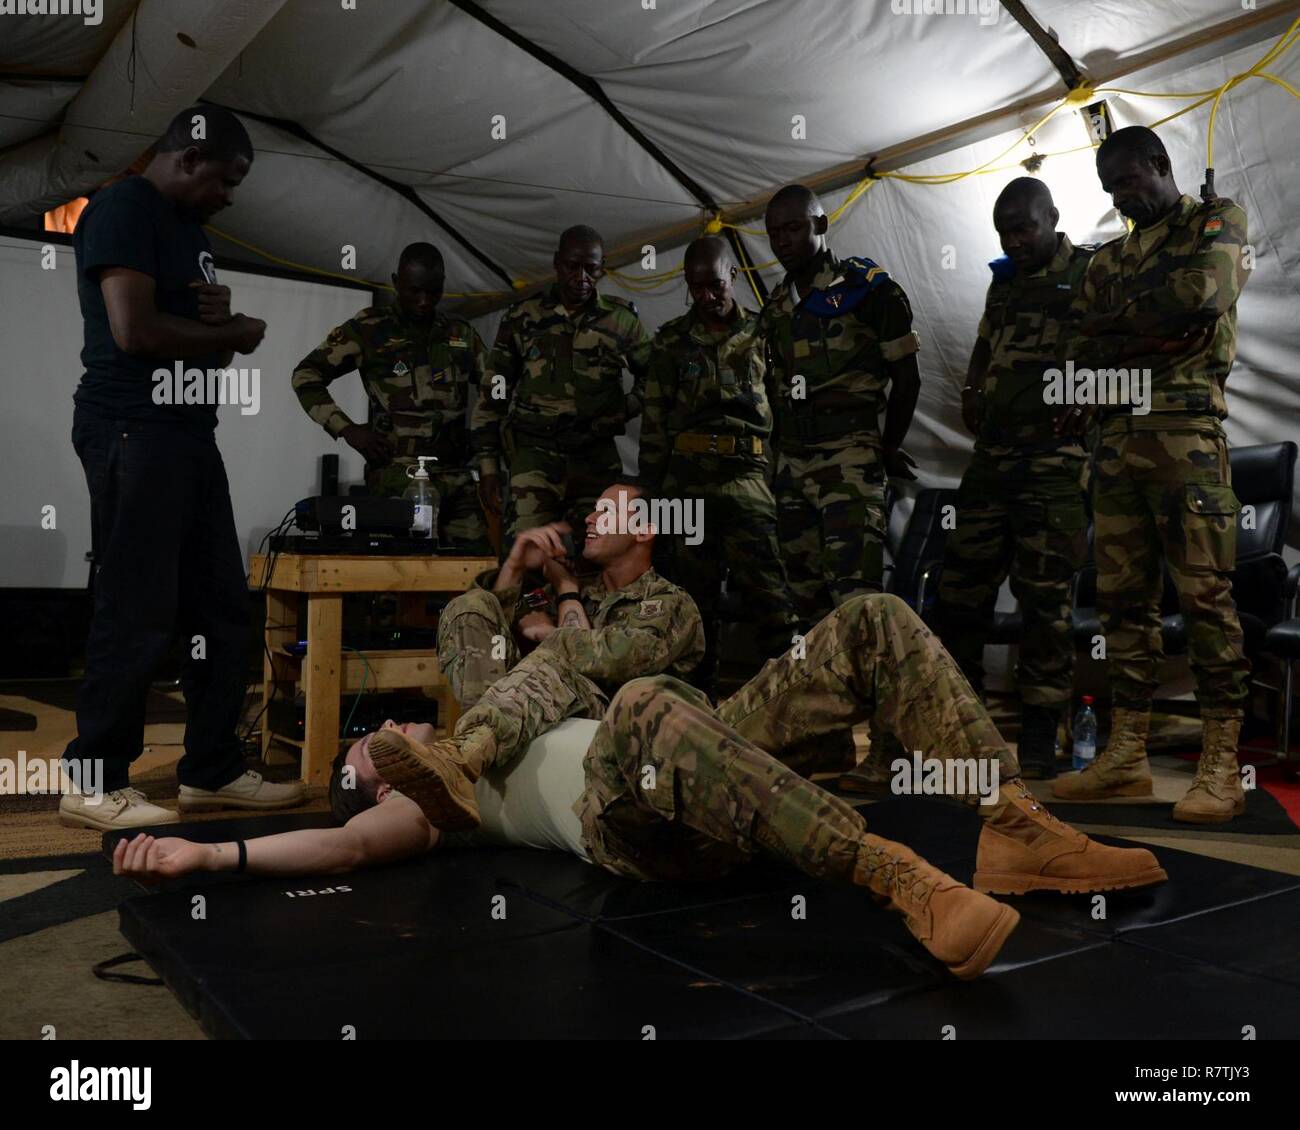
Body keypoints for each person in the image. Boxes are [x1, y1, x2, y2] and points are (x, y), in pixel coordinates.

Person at [115, 592, 1168, 982]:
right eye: (361, 756)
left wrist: (543, 590)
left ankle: (1014, 822)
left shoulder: (492, 693)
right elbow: (338, 850)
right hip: (639, 812)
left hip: (708, 743)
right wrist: (213, 854)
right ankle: (898, 875)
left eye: (383, 733)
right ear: (371, 783)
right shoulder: (420, 804)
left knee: (870, 616)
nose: (377, 737)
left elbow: (472, 614)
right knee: (638, 700)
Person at [60, 104, 304, 832]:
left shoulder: (192, 234)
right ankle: (92, 781)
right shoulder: (123, 206)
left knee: (222, 606)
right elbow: (133, 332)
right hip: (133, 427)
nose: (230, 196)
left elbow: (204, 346)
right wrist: (231, 329)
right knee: (135, 608)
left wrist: (218, 328)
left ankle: (211, 771)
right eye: (227, 179)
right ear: (191, 157)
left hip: (190, 432)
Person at [1051, 127, 1253, 824]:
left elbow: (1202, 294)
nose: (1118, 195)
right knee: (1121, 606)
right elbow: (1078, 339)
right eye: (1108, 186)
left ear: (1160, 166)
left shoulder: (1217, 219)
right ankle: (1126, 754)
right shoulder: (1108, 258)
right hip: (1115, 444)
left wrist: (1117, 334)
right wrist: (1143, 337)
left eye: (1127, 179)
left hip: (1186, 438)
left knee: (1204, 598)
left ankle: (1222, 763)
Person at [931, 179, 1094, 779]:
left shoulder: (1092, 272)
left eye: (1023, 226)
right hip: (994, 459)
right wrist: (973, 390)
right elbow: (983, 346)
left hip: (1054, 463)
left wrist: (1095, 395)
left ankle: (1038, 730)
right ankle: (962, 720)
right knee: (960, 590)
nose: (1014, 239)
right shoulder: (1003, 280)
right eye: (1004, 230)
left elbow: (1124, 349)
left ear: (1053, 215)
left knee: (1044, 601)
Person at [428, 481, 705, 827]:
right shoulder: (582, 587)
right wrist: (515, 565)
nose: (590, 518)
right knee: (471, 606)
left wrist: (562, 601)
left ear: (644, 530)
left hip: (617, 732)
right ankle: (475, 756)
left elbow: (609, 662)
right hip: (535, 710)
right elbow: (493, 624)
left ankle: (464, 758)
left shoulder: (669, 604)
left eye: (605, 512)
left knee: (552, 660)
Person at [758, 183, 922, 621]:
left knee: (854, 597)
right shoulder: (775, 306)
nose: (782, 241)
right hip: (793, 465)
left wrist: (885, 447)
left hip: (850, 458)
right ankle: (821, 689)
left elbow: (907, 378)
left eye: (793, 228)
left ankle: (866, 688)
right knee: (804, 594)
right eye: (774, 233)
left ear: (822, 224)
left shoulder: (868, 291)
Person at [638, 235, 797, 688]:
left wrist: (781, 483)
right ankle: (694, 712)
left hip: (749, 482)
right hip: (687, 487)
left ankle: (790, 708)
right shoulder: (671, 341)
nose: (706, 297)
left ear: (734, 276)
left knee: (773, 604)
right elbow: (654, 421)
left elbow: (785, 413)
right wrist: (652, 496)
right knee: (691, 608)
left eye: (715, 285)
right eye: (695, 287)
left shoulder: (765, 334)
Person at [291, 242, 490, 548]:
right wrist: (346, 429)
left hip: (456, 472)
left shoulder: (460, 334)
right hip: (399, 471)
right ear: (397, 282)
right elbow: (306, 375)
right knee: (402, 567)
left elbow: (496, 390)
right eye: (414, 291)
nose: (424, 301)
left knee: (473, 567)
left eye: (433, 292)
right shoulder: (370, 329)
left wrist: (488, 451)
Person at [470, 225, 652, 539]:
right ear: (557, 262)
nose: (581, 277)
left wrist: (621, 410)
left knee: (598, 554)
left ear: (602, 267)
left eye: (591, 269)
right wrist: (488, 469)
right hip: (534, 459)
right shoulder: (522, 319)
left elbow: (655, 380)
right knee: (527, 553)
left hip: (594, 460)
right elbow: (492, 395)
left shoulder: (621, 321)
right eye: (572, 266)